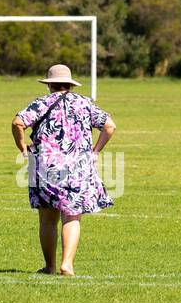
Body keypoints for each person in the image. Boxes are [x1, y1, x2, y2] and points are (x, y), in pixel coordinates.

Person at [11, 64, 116, 276]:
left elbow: (18, 123)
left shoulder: (41, 103)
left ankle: (49, 266)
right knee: (72, 217)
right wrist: (95, 152)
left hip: (45, 166)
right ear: (70, 84)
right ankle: (67, 264)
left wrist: (22, 148)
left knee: (48, 219)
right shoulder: (84, 103)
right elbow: (110, 126)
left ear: (49, 85)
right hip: (78, 167)